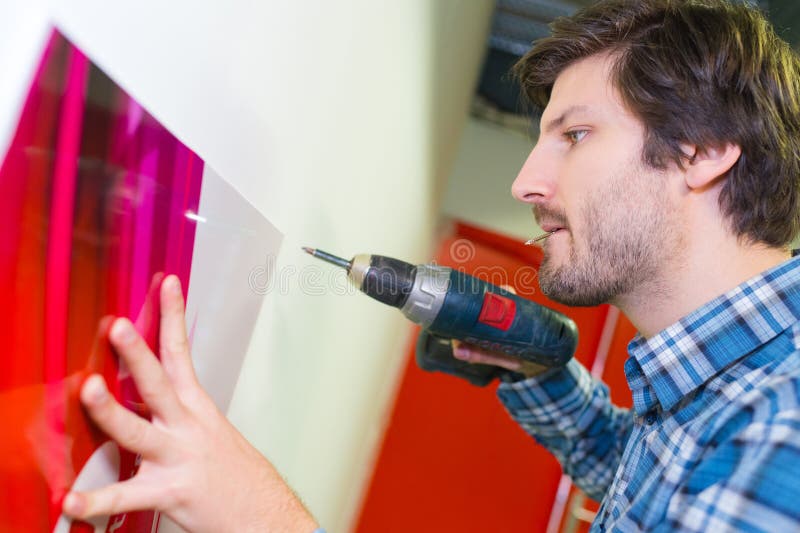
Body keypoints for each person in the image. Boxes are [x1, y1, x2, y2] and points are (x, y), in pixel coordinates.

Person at [63, 0, 800, 531]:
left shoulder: (781, 435)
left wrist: (256, 515)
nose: (525, 184)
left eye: (575, 134)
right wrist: (539, 373)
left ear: (701, 153)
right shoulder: (718, 395)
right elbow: (643, 483)